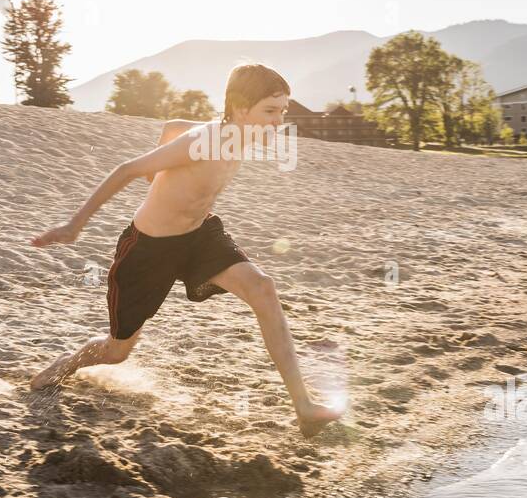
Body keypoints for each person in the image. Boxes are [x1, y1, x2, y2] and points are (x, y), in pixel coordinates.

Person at [29, 62, 345, 437]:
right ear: (241, 109)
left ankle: (304, 406)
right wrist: (74, 225)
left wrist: (164, 142)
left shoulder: (235, 135)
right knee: (117, 352)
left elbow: (174, 126)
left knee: (263, 288)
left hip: (200, 237)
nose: (278, 122)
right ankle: (67, 364)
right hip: (147, 251)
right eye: (270, 111)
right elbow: (127, 169)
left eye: (283, 112)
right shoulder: (205, 141)